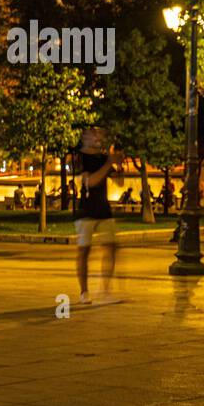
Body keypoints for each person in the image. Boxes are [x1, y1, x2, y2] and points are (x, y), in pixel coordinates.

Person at [74, 127, 120, 306]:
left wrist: (118, 163)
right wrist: (108, 164)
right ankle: (84, 292)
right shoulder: (81, 157)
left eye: (101, 134)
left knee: (111, 247)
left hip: (104, 209)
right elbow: (90, 182)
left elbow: (120, 181)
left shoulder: (103, 158)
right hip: (86, 210)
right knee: (84, 251)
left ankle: (106, 290)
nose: (99, 137)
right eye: (95, 134)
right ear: (86, 137)